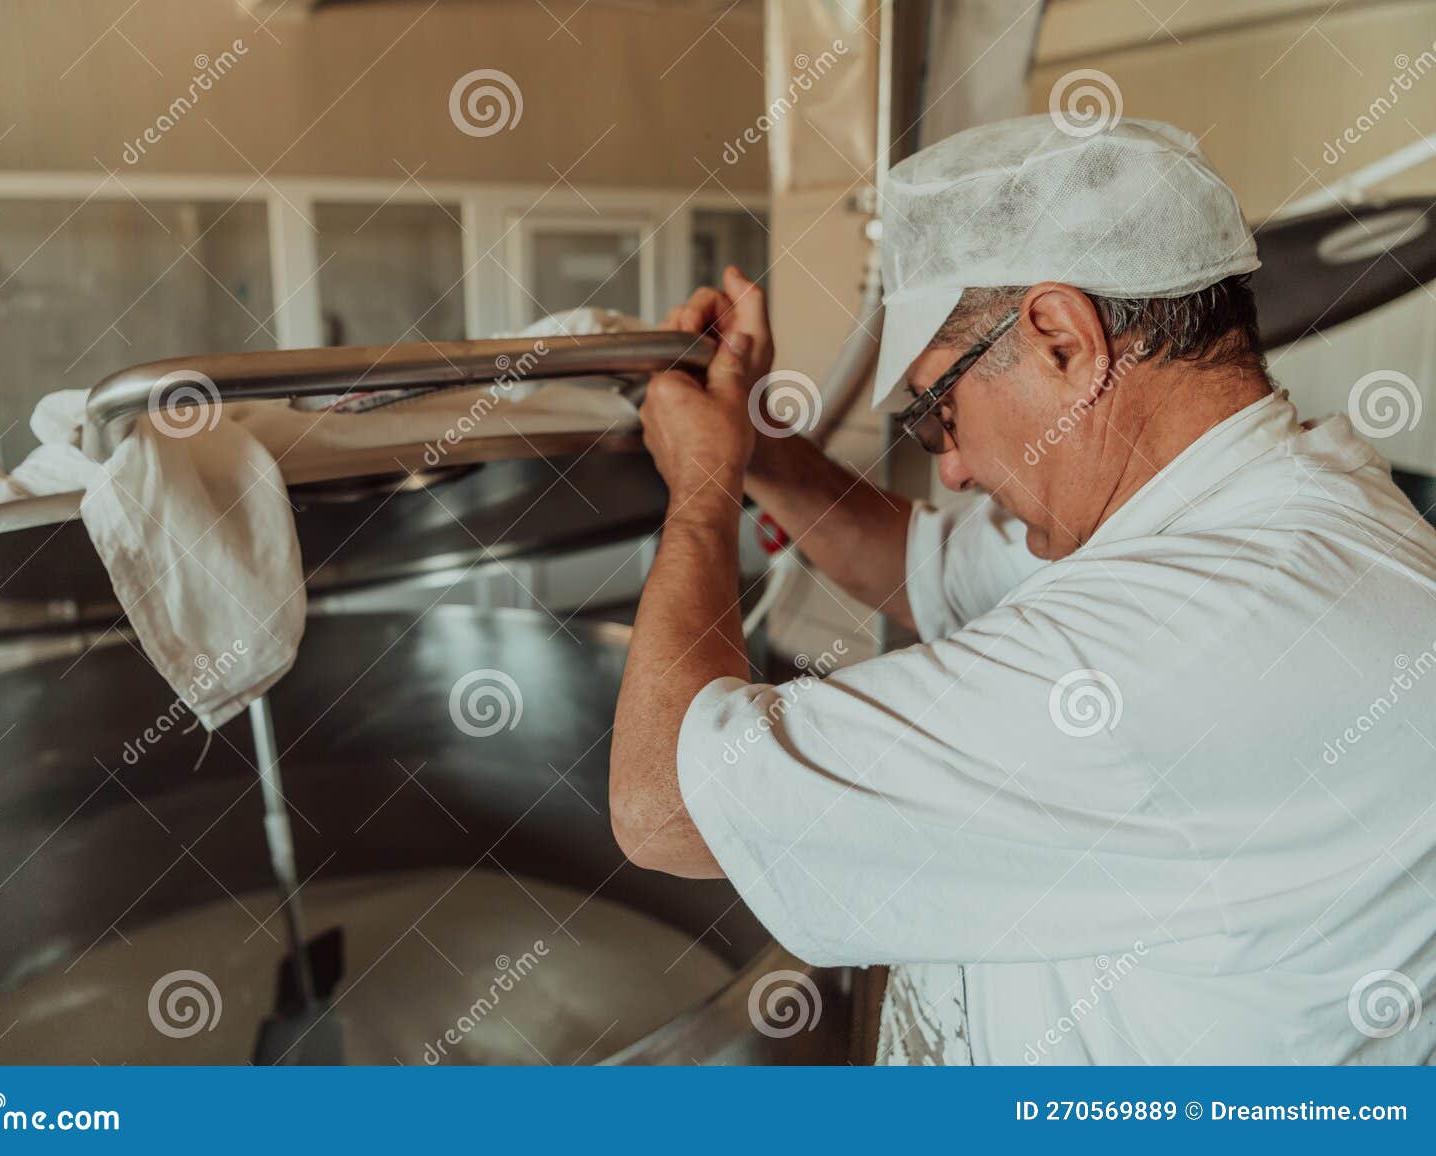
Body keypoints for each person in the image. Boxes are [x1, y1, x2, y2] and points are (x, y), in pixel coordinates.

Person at [609, 115, 1436, 1064]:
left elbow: (663, 804)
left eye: (938, 410)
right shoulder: (1254, 505)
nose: (951, 468)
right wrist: (748, 436)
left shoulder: (1181, 642)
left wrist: (702, 486)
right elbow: (926, 565)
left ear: (1060, 340)